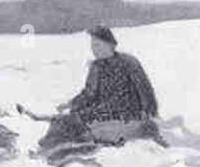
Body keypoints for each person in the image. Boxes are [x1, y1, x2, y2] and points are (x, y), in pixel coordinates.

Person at [39, 25, 161, 154]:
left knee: (78, 122)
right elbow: (88, 94)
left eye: (97, 45)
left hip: (126, 112)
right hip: (103, 110)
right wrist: (70, 104)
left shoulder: (128, 62)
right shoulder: (96, 67)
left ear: (109, 44)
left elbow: (144, 89)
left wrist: (150, 112)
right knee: (67, 118)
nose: (94, 49)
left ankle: (76, 145)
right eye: (92, 45)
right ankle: (52, 146)